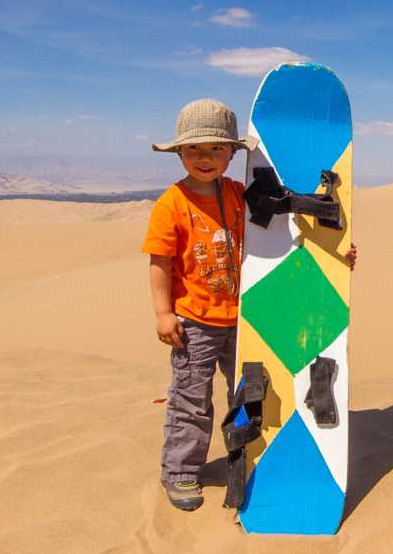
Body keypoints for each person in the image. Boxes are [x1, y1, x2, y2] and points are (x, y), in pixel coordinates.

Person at [142, 98, 356, 511]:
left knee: (247, 392)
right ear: (180, 154)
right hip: (195, 323)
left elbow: (285, 233)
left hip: (246, 316)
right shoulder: (171, 204)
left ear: (231, 154)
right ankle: (182, 471)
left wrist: (336, 253)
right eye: (195, 150)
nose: (205, 158)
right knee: (191, 396)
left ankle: (246, 456)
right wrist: (163, 312)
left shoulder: (239, 193)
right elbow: (159, 263)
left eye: (216, 149)